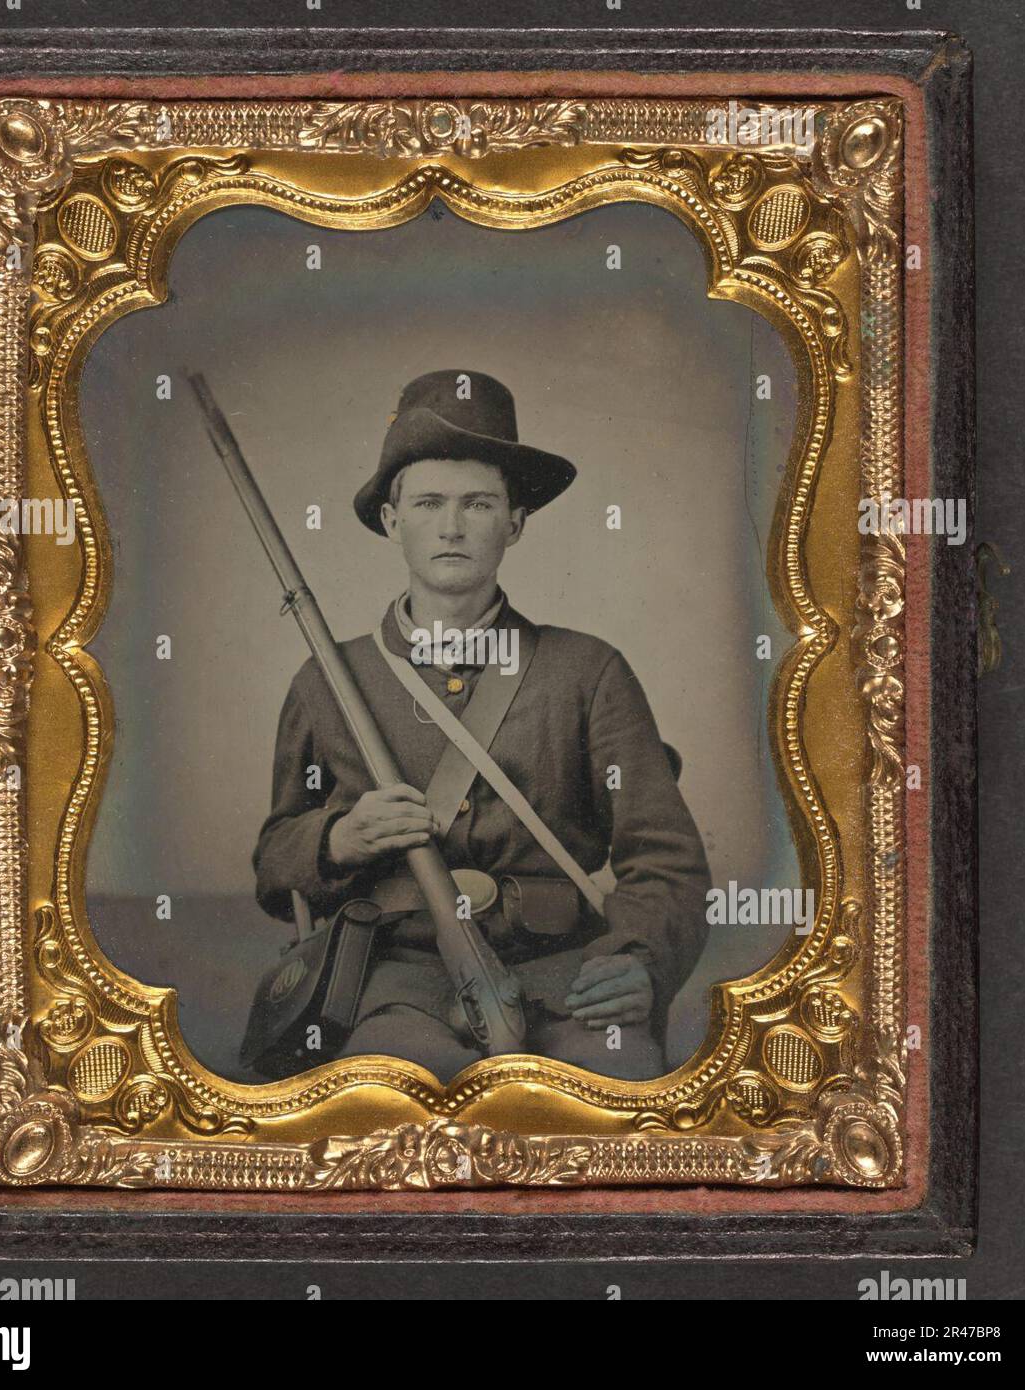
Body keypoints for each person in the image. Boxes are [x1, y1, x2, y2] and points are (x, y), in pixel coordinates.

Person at [244, 369, 710, 1082]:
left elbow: (666, 857)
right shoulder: (326, 681)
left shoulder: (589, 672)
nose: (452, 526)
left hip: (563, 977)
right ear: (392, 521)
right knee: (397, 1114)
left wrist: (639, 962)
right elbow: (277, 860)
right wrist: (338, 839)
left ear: (515, 522)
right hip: (394, 985)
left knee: (622, 1097)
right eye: (428, 503)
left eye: (479, 503)